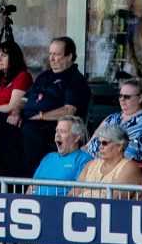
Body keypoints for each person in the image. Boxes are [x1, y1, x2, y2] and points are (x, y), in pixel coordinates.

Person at [18, 37, 93, 174]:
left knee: (29, 130)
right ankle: (6, 177)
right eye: (50, 54)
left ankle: (32, 181)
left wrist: (41, 116)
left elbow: (69, 110)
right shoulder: (44, 76)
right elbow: (24, 100)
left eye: (56, 55)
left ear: (69, 56)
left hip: (50, 126)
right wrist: (15, 112)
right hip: (25, 118)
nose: (51, 59)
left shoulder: (75, 80)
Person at [88, 76, 142, 165]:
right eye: (120, 96)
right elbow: (88, 145)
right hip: (96, 165)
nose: (122, 99)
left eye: (127, 96)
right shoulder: (111, 118)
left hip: (130, 169)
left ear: (140, 98)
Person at [73, 122, 142, 193]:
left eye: (104, 143)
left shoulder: (129, 167)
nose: (100, 147)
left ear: (120, 146)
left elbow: (114, 199)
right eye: (99, 143)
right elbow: (73, 193)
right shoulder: (91, 164)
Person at [0, 40, 32, 137]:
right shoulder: (0, 78)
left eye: (3, 56)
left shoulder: (23, 76)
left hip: (7, 120)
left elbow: (11, 106)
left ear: (13, 58)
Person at [31, 116, 95, 192]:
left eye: (62, 131)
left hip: (62, 203)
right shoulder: (48, 157)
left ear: (76, 137)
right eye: (57, 131)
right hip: (37, 202)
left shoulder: (85, 160)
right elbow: (31, 187)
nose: (57, 135)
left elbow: (78, 192)